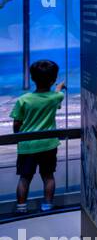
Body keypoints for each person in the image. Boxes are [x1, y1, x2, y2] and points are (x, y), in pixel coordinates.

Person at [12, 59, 65, 214]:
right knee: (48, 176)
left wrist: (19, 137)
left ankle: (21, 207)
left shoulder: (23, 100)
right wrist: (59, 87)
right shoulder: (56, 97)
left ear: (33, 78)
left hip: (27, 145)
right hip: (48, 144)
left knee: (24, 178)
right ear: (53, 79)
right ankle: (47, 205)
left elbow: (17, 123)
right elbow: (58, 94)